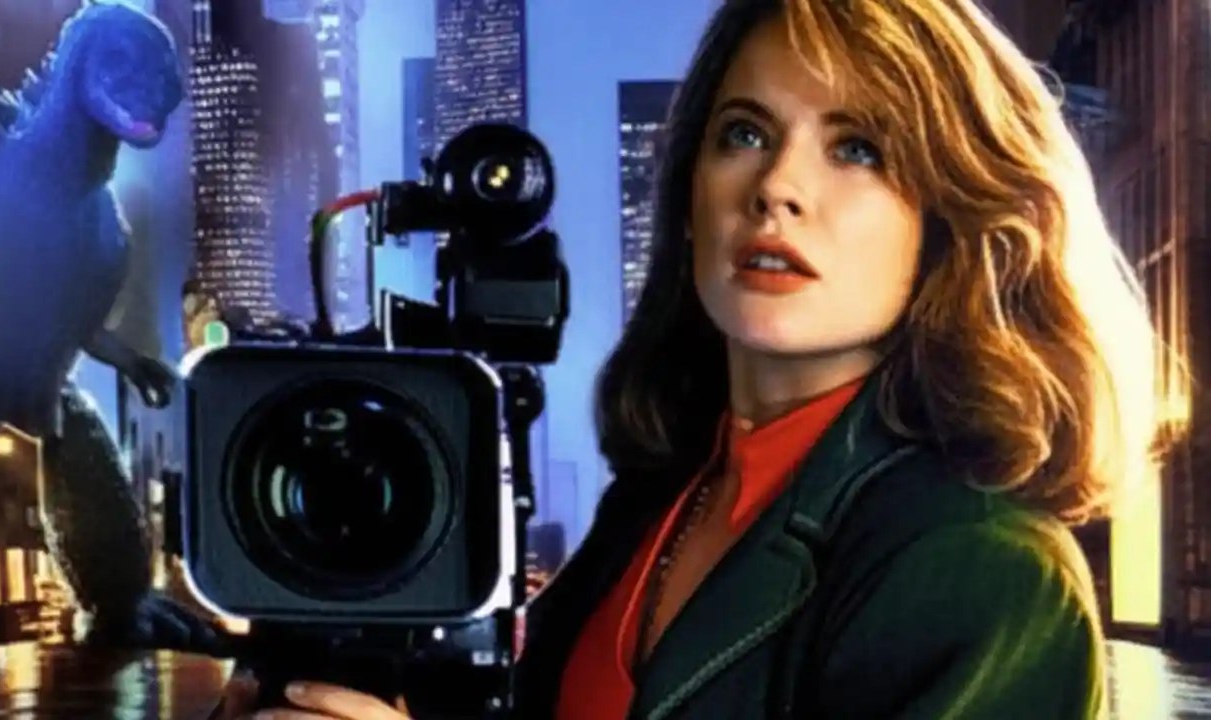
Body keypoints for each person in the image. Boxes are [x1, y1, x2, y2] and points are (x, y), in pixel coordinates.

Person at [215, 0, 1168, 717]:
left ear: (951, 217)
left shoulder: (983, 567)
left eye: (861, 149)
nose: (778, 188)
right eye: (744, 134)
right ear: (689, 195)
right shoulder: (661, 494)